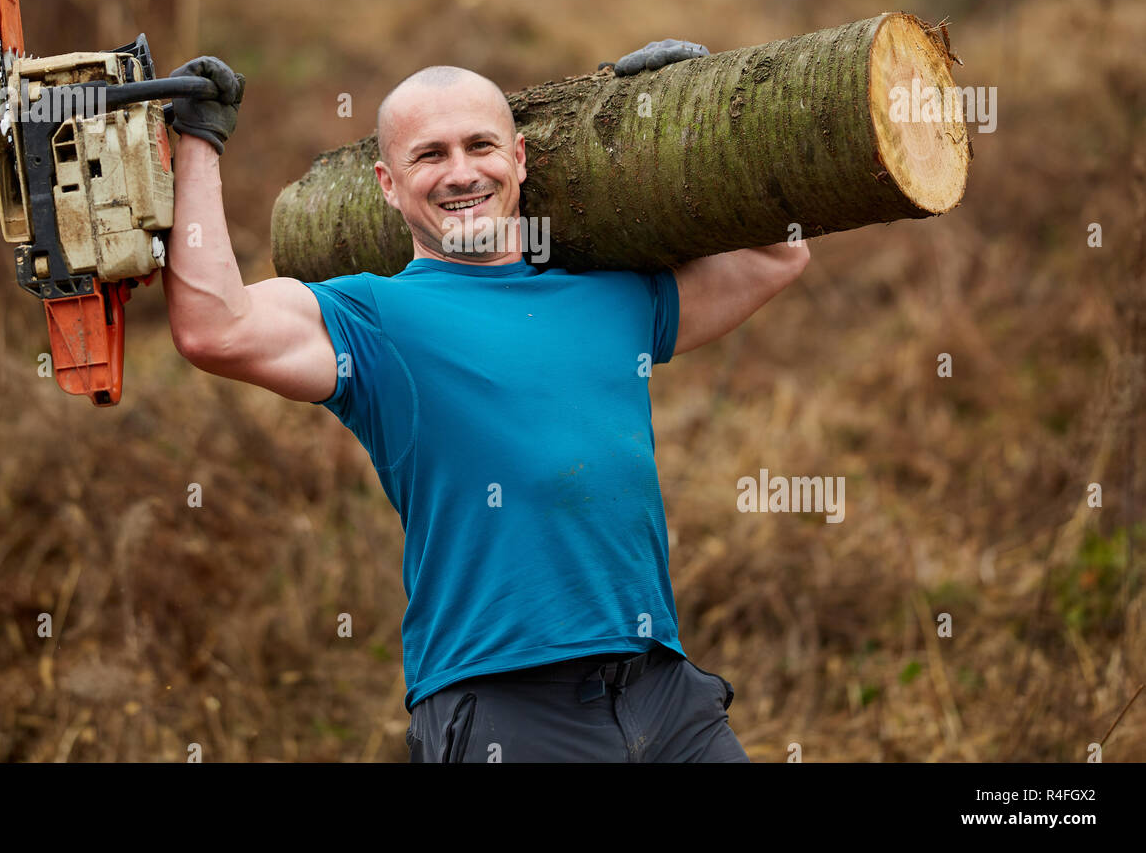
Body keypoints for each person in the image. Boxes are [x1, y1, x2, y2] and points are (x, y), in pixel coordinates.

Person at [162, 40, 810, 762]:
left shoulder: (613, 295)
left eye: (481, 146)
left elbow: (780, 253)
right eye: (430, 155)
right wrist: (199, 143)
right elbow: (215, 329)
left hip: (665, 691)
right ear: (386, 182)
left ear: (521, 159)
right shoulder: (372, 319)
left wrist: (696, 101)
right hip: (502, 702)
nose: (463, 173)